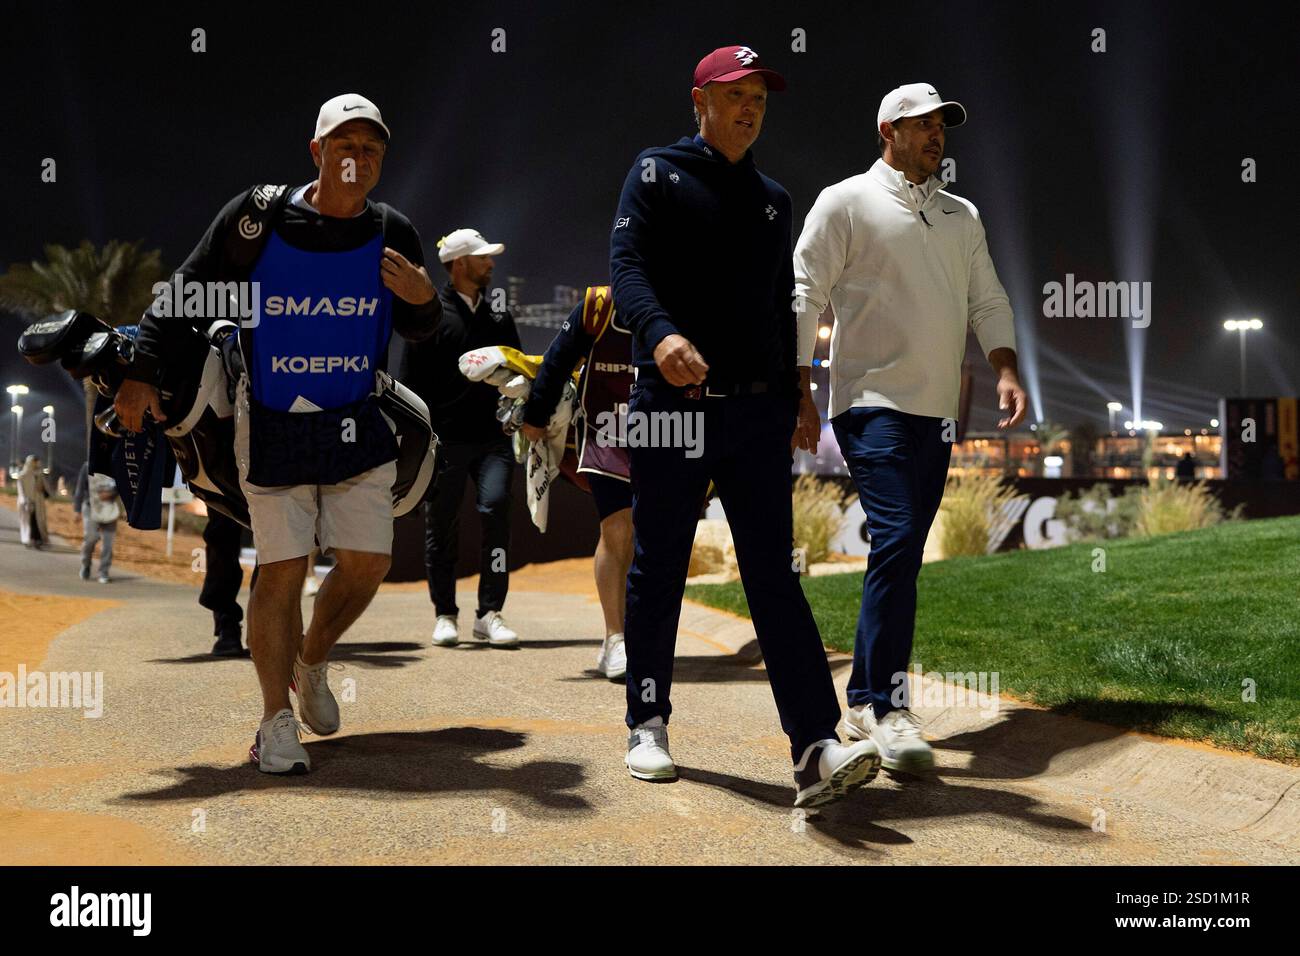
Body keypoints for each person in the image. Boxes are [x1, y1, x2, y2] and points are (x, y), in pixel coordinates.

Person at [114, 94, 441, 773]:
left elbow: (421, 329)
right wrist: (142, 372)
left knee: (367, 562)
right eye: (345, 145)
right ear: (317, 152)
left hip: (356, 420)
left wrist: (424, 302)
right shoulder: (257, 218)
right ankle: (274, 721)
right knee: (283, 567)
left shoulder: (392, 230)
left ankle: (313, 661)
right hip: (271, 417)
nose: (359, 158)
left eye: (372, 149)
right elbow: (186, 289)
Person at [608, 45, 880, 808]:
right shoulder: (655, 172)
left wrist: (799, 387)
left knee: (773, 576)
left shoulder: (773, 199)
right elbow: (626, 264)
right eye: (736, 94)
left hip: (755, 411)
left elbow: (778, 304)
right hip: (671, 409)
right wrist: (659, 333)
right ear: (700, 100)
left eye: (760, 96)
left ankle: (816, 746)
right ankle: (648, 719)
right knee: (658, 565)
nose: (751, 107)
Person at [792, 83, 1027, 772]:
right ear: (886, 130)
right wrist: (797, 384)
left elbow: (987, 299)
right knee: (896, 538)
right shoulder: (845, 202)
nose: (936, 137)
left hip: (938, 415)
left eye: (941, 128)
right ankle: (881, 703)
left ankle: (868, 700)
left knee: (901, 553)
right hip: (870, 404)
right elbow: (803, 291)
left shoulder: (962, 214)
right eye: (921, 126)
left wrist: (1006, 367)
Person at [398, 228, 522, 648]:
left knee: (496, 513)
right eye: (482, 257)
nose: (490, 264)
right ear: (460, 264)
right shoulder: (430, 314)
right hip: (445, 441)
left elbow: (520, 371)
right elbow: (409, 383)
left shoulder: (500, 314)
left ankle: (490, 613)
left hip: (494, 440)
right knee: (442, 526)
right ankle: (445, 613)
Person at [522, 285, 632, 680]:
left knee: (652, 538)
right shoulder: (598, 305)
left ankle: (638, 634)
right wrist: (535, 417)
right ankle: (614, 638)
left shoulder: (686, 302)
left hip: (667, 436)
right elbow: (557, 360)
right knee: (617, 529)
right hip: (604, 437)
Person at [78, 472, 121, 583]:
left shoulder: (116, 464)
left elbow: (123, 485)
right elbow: (80, 487)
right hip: (90, 506)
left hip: (109, 506)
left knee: (108, 543)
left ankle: (104, 571)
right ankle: (85, 564)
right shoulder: (87, 466)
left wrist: (112, 493)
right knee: (90, 538)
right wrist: (77, 510)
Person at [15, 455, 50, 549]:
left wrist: (44, 491)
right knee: (27, 522)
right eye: (35, 461)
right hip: (26, 503)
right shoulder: (22, 475)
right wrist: (24, 500)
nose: (36, 463)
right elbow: (20, 490)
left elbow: (45, 487)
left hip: (38, 502)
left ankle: (38, 540)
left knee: (37, 521)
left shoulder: (39, 474)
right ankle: (27, 539)